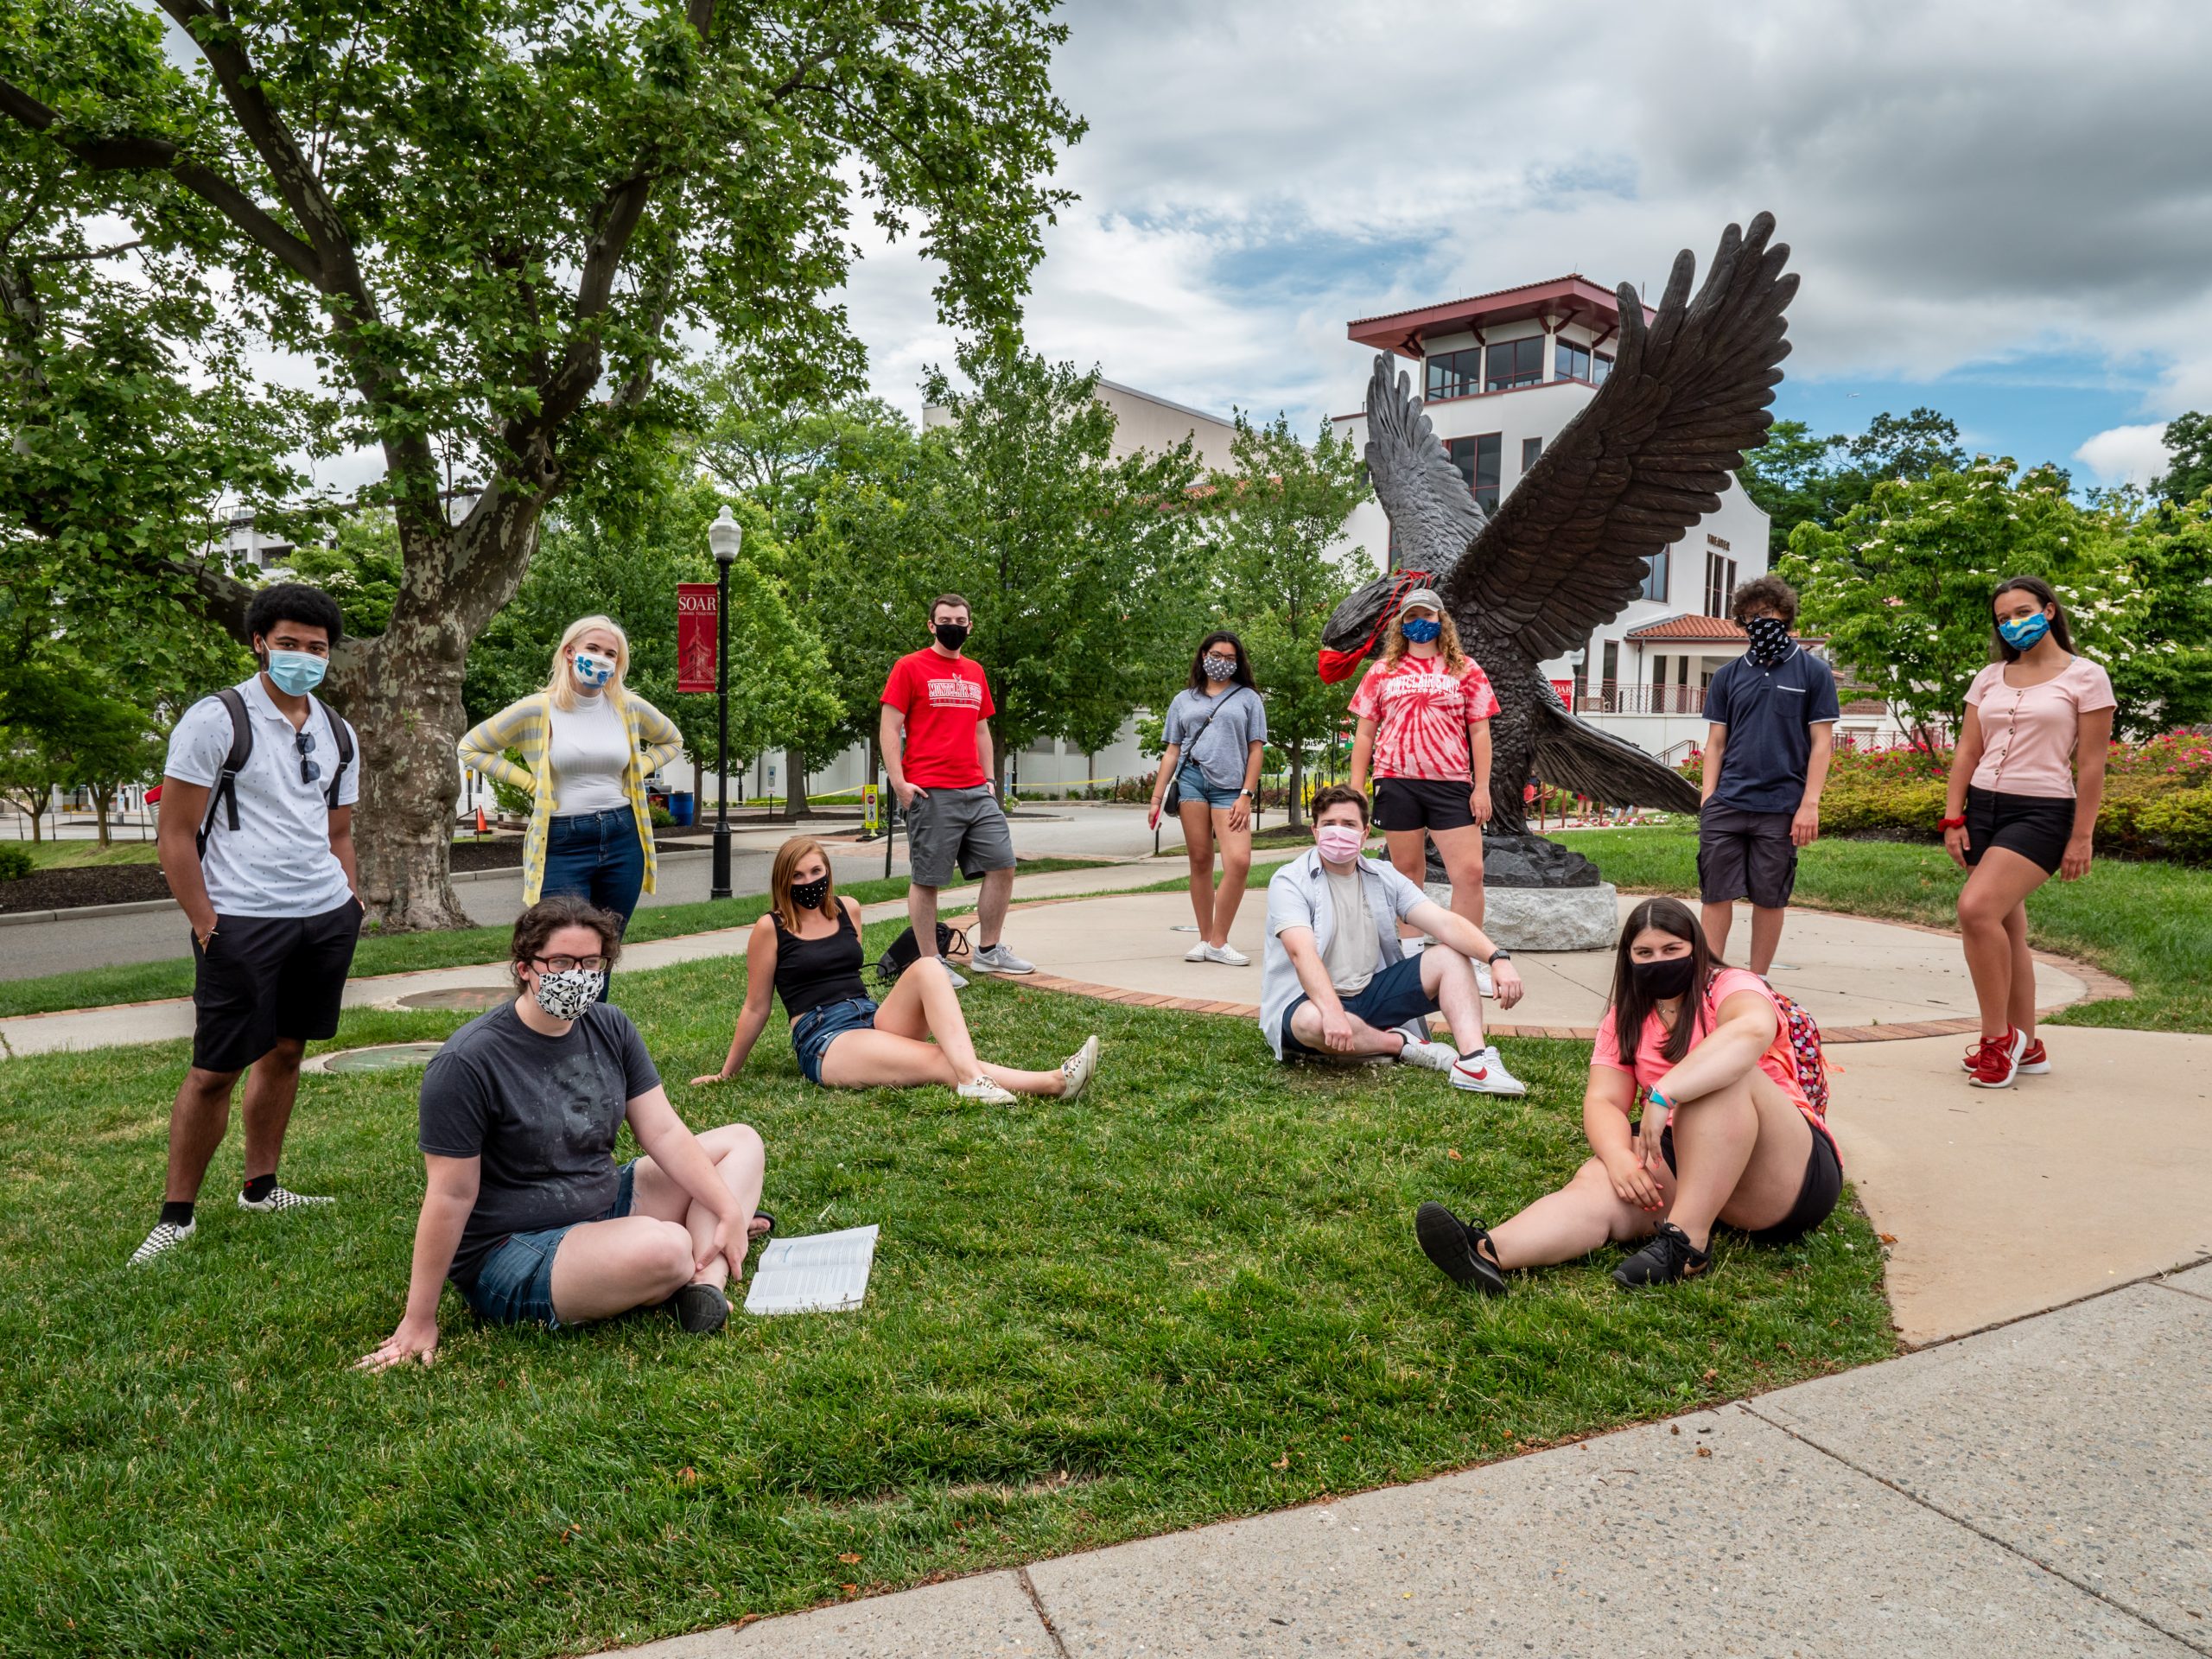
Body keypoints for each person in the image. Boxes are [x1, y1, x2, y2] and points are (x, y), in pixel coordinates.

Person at [358, 896, 771, 1366]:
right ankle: (691, 1254)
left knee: (742, 1142)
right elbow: (449, 1197)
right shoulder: (467, 1062)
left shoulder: (610, 1026)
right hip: (514, 1247)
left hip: (603, 1200)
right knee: (667, 1246)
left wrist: (724, 1208)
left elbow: (665, 1134)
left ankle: (703, 1287)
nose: (577, 974)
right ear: (525, 968)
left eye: (591, 961)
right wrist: (419, 1319)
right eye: (560, 961)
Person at [1414, 896, 1841, 1294]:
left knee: (1725, 1078)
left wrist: (1664, 1094)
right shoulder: (1627, 1017)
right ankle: (1490, 1253)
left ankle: (1687, 1245)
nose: (1659, 961)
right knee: (1599, 1182)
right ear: (1629, 959)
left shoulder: (1730, 984)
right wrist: (1620, 1159)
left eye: (1672, 949)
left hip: (1785, 1171)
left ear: (1696, 947)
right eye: (1645, 953)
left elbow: (1750, 1031)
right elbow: (1603, 1101)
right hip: (1695, 1159)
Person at [130, 583, 365, 1268]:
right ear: (260, 642)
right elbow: (174, 836)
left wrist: (349, 899)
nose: (303, 657)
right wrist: (206, 924)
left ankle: (260, 1187)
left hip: (322, 916)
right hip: (240, 919)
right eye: (289, 643)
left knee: (287, 1051)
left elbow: (340, 830)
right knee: (214, 1070)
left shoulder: (337, 730)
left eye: (316, 648)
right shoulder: (216, 720)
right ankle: (177, 1215)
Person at [693, 836, 1097, 1104]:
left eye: (816, 872)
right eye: (798, 876)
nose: (809, 882)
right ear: (784, 881)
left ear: (828, 873)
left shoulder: (848, 909)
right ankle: (1051, 1083)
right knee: (937, 1061)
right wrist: (727, 1073)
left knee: (927, 966)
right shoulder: (771, 928)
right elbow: (756, 1008)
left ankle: (973, 1076)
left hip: (871, 1016)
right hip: (826, 1037)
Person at [1942, 575, 2114, 1089]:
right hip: (1983, 808)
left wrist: (2081, 837)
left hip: (2042, 811)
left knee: (1976, 910)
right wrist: (1954, 817)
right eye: (2003, 618)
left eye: (2023, 612)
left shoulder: (2086, 677)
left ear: (2050, 610)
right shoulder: (1990, 676)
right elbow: (1967, 752)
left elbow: (2091, 766)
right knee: (2007, 928)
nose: (2013, 624)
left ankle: (1998, 1039)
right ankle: (2030, 1044)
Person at [457, 614, 683, 993]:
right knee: (558, 955)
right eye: (592, 649)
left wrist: (638, 767)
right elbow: (471, 746)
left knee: (600, 955)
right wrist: (530, 782)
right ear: (569, 652)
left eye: (611, 653)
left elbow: (672, 741)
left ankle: (595, 1040)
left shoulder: (627, 707)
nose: (601, 659)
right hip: (562, 841)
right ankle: (547, 1039)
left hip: (623, 837)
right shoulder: (537, 708)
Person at [1260, 785, 1527, 1094]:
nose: (1337, 832)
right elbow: (1300, 953)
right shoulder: (1290, 880)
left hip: (1369, 992)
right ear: (1315, 831)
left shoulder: (1384, 875)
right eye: (1328, 824)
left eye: (1348, 825)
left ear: (1364, 833)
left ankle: (1474, 1062)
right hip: (1307, 1001)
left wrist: (1497, 958)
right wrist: (1333, 1014)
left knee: (1451, 956)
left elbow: (1443, 922)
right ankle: (1400, 1044)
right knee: (1313, 1024)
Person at [880, 594, 1033, 987]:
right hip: (930, 791)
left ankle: (988, 951)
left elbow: (982, 729)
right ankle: (931, 962)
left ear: (969, 627)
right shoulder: (909, 667)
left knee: (1003, 864)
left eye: (960, 620)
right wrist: (900, 783)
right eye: (945, 619)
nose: (953, 625)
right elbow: (889, 728)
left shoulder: (976, 671)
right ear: (932, 625)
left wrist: (990, 780)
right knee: (928, 879)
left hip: (975, 790)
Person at [1697, 575, 1840, 975]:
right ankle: (1711, 978)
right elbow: (1716, 743)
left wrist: (1809, 805)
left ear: (1785, 614)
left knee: (1770, 897)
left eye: (1766, 614)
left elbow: (1821, 744)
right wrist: (1709, 798)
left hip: (1781, 807)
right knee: (1715, 895)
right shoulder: (1728, 676)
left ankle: (1759, 981)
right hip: (1727, 804)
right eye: (1749, 617)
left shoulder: (1814, 673)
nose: (1759, 622)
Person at [1347, 588, 1500, 934]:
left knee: (1470, 873)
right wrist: (1357, 789)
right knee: (1407, 875)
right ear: (1401, 625)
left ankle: (1467, 959)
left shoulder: (1466, 669)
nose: (1420, 623)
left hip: (1452, 783)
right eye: (1412, 617)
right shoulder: (1382, 671)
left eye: (1427, 616)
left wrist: (1482, 787)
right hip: (1397, 781)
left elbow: (1480, 732)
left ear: (1441, 620)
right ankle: (1412, 960)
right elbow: (1365, 734)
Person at [1147, 631, 1268, 965]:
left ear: (1238, 662)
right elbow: (1172, 751)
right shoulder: (1183, 699)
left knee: (1239, 862)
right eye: (1217, 655)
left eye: (1230, 658)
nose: (1222, 662)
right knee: (1200, 861)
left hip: (1231, 788)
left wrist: (1246, 794)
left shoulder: (1248, 698)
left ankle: (1219, 941)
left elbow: (1256, 749)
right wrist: (1157, 799)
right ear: (1203, 656)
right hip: (1191, 782)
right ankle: (1205, 940)